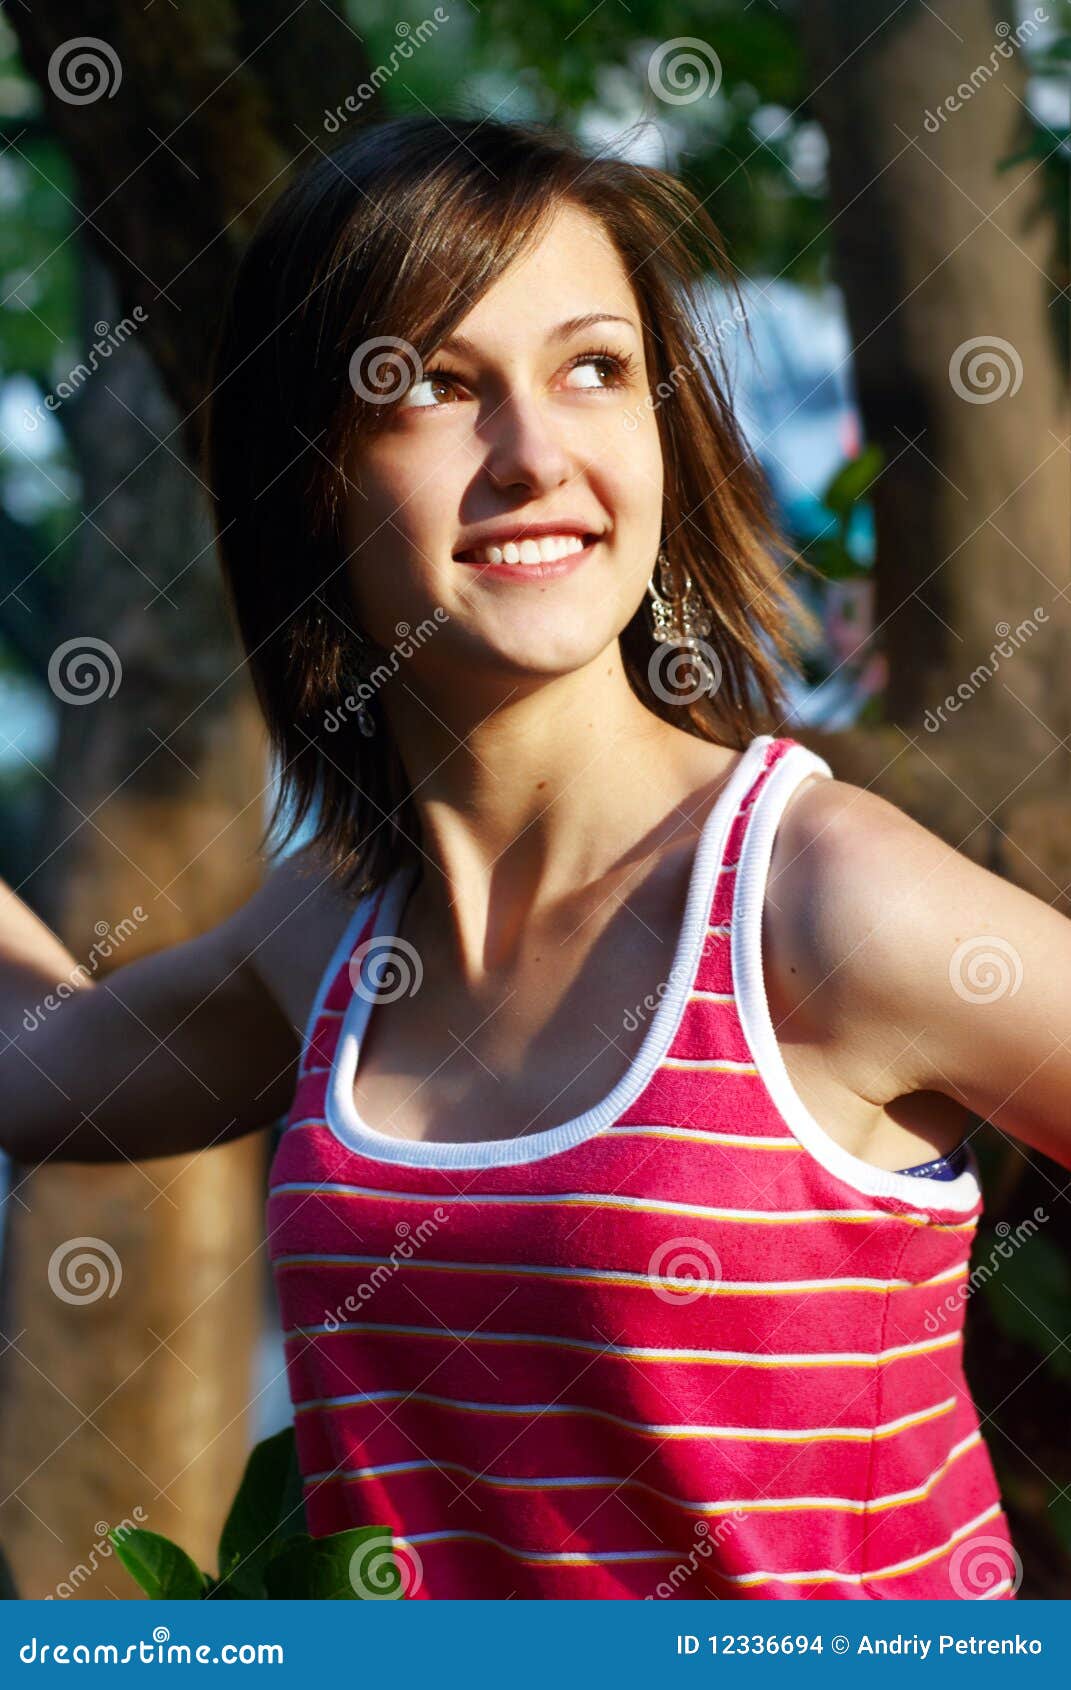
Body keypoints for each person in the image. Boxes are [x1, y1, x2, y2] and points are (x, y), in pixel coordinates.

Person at [1, 115, 1068, 1602]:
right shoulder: (330, 932)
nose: (534, 454)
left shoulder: (819, 895)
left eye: (594, 368)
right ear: (305, 474)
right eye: (435, 385)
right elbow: (35, 1069)